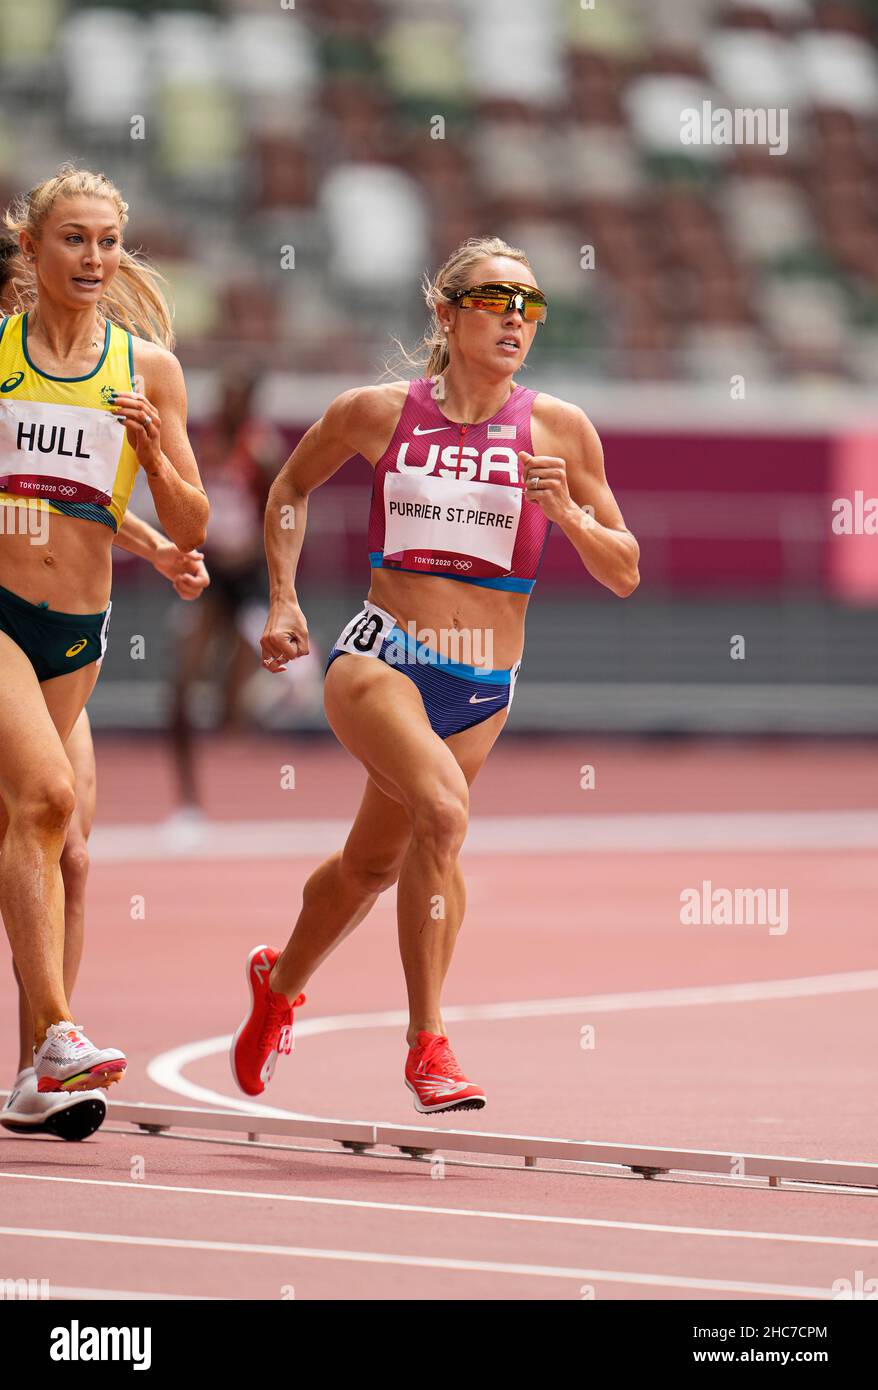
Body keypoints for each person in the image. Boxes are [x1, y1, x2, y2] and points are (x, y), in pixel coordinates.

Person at [231, 236, 639, 1113]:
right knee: (445, 815)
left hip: (484, 688)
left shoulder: (560, 428)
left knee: (373, 864)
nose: (517, 319)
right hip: (382, 658)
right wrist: (282, 600)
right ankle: (428, 1045)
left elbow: (625, 569)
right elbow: (290, 489)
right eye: (497, 299)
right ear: (447, 311)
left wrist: (565, 510)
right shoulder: (375, 411)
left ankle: (279, 984)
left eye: (532, 304)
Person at [0, 166, 208, 1098]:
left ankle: (32, 1079)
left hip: (78, 631)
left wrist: (157, 477)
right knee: (41, 800)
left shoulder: (148, 370)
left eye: (107, 241)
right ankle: (62, 1039)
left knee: (72, 854)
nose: (93, 257)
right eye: (73, 239)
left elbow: (195, 518)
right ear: (31, 248)